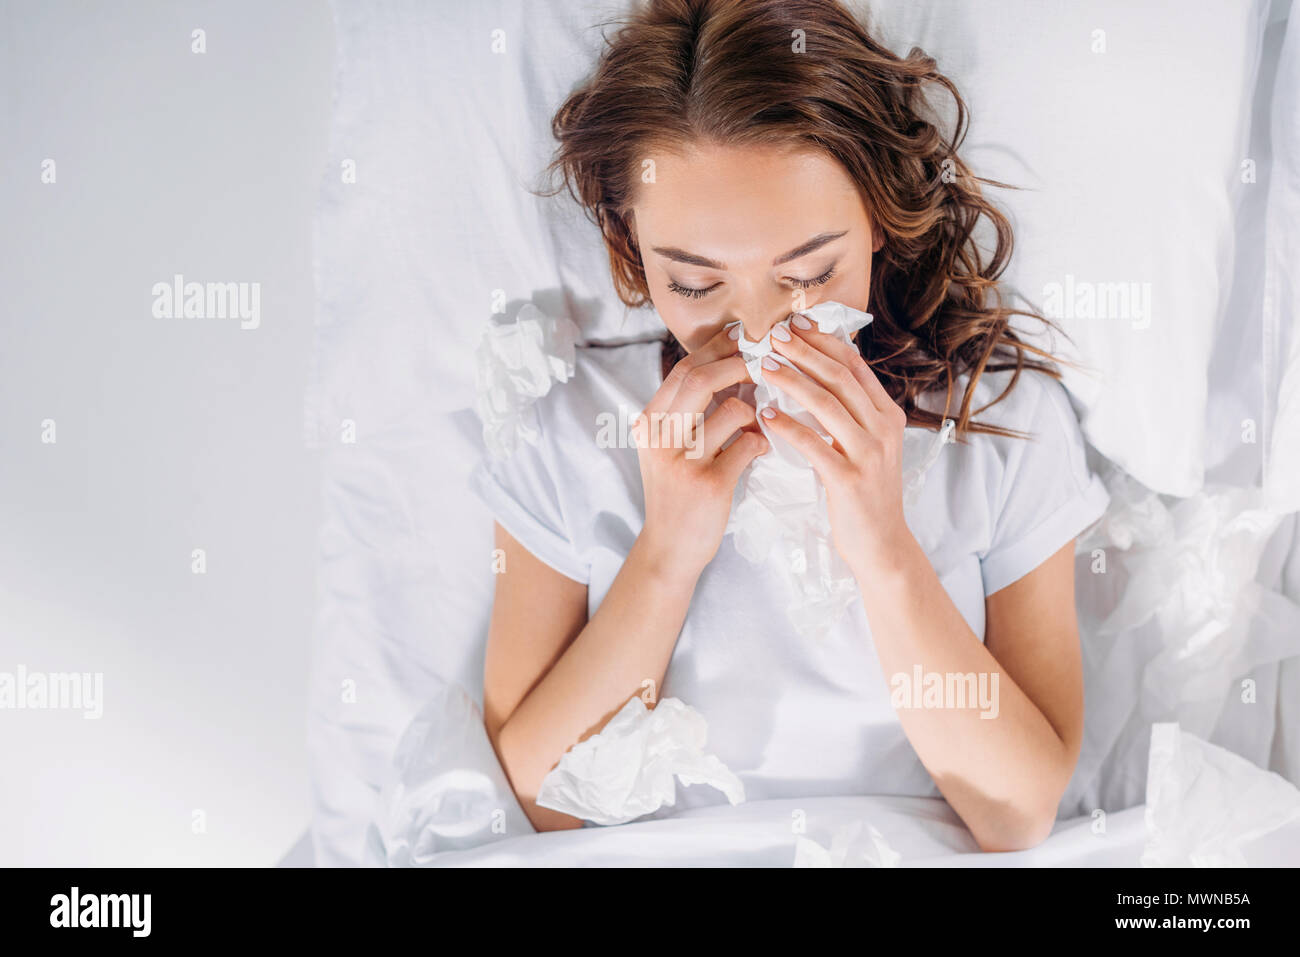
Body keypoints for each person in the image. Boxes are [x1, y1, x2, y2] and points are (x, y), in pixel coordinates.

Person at [471, 0, 1110, 852]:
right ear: (632, 252)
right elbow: (540, 802)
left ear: (879, 217)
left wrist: (883, 546)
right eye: (696, 286)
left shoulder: (1001, 423)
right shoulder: (567, 430)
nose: (760, 331)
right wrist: (667, 555)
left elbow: (1016, 811)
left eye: (809, 273)